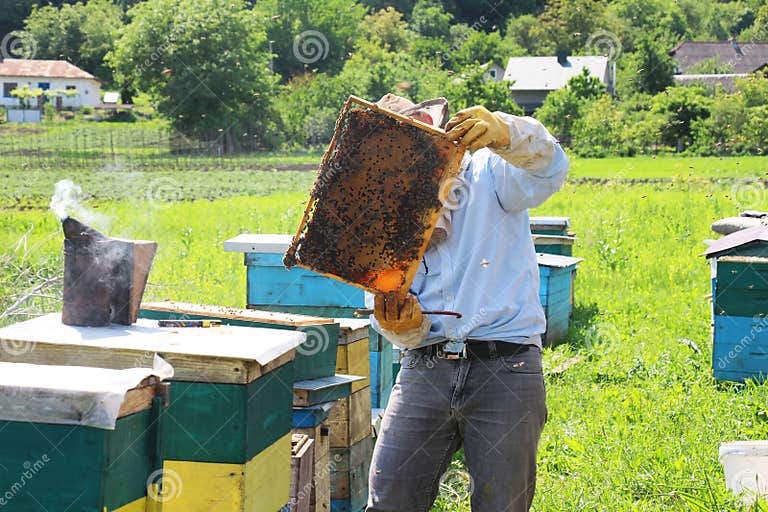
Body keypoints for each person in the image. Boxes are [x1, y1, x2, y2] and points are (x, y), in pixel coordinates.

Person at [365, 94, 569, 512]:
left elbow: (550, 169)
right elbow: (383, 310)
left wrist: (506, 132)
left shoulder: (490, 171)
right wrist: (402, 326)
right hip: (423, 367)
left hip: (506, 363)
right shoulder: (381, 210)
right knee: (389, 501)